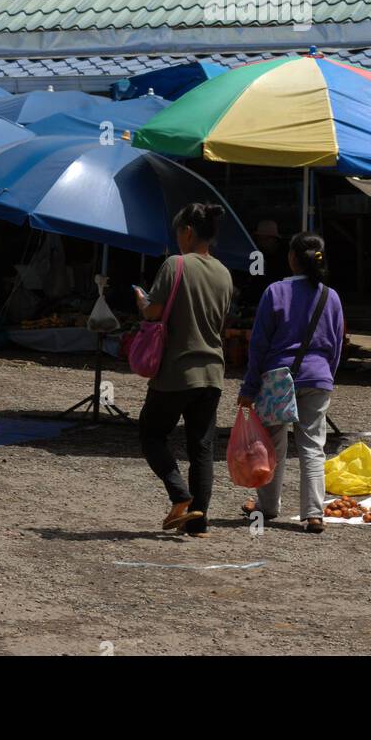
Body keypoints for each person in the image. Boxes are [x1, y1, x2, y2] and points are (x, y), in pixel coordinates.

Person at [135, 202, 233, 537]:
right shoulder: (224, 272)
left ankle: (179, 493)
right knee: (202, 448)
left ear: (187, 231)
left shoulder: (175, 265)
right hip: (213, 373)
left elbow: (153, 313)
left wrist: (141, 300)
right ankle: (198, 523)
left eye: (178, 232)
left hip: (177, 371)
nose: (177, 238)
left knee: (151, 433)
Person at [238, 231, 345, 533]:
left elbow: (258, 345)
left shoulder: (275, 292)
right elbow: (337, 344)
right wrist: (327, 375)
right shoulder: (331, 296)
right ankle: (313, 514)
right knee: (312, 446)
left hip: (276, 378)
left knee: (272, 444)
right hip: (318, 377)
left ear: (292, 258)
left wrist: (249, 388)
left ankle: (268, 506)